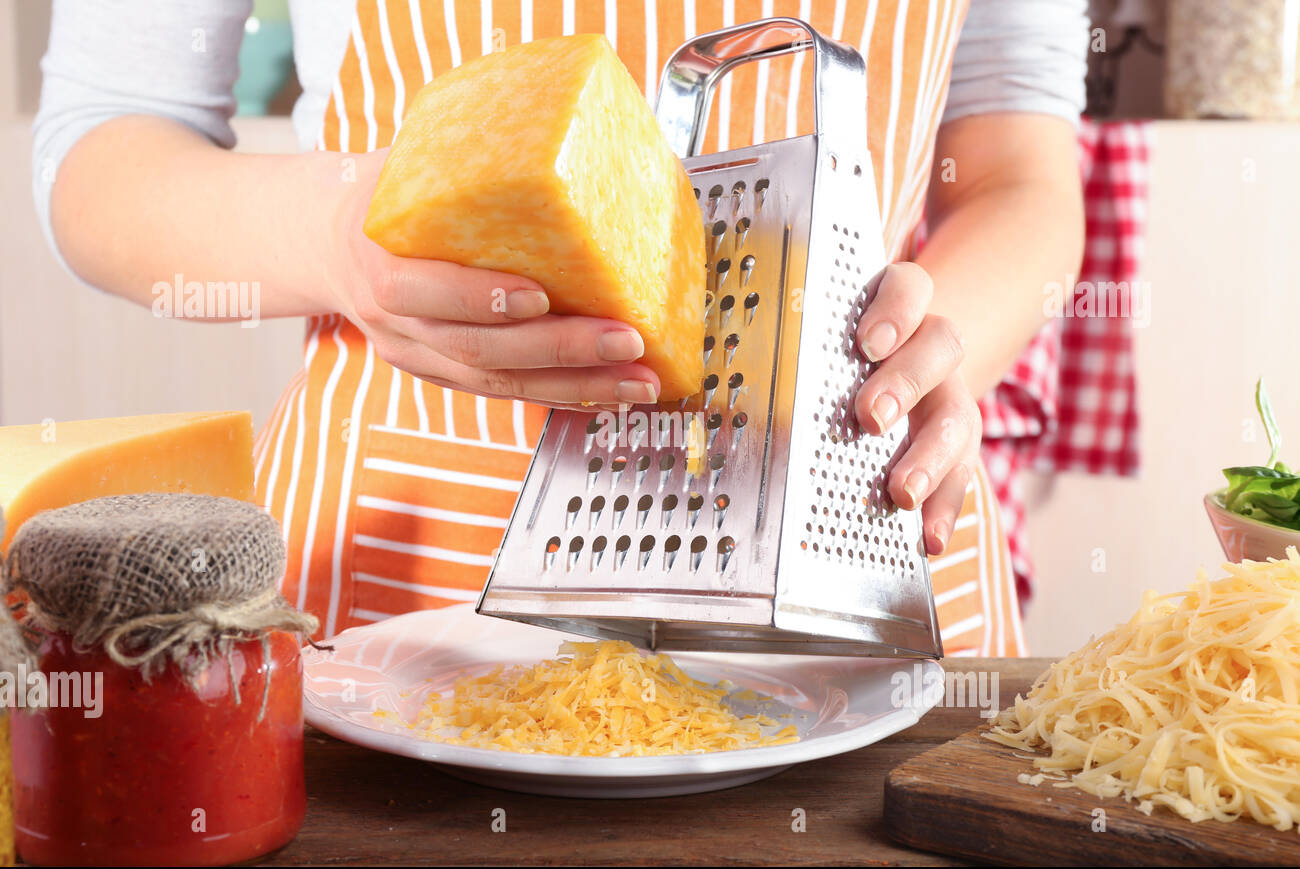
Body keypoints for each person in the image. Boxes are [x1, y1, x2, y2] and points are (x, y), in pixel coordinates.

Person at [32, 0, 1086, 655]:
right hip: (396, 583)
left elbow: (1018, 172)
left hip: (848, 538)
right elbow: (106, 147)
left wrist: (926, 342)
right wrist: (337, 234)